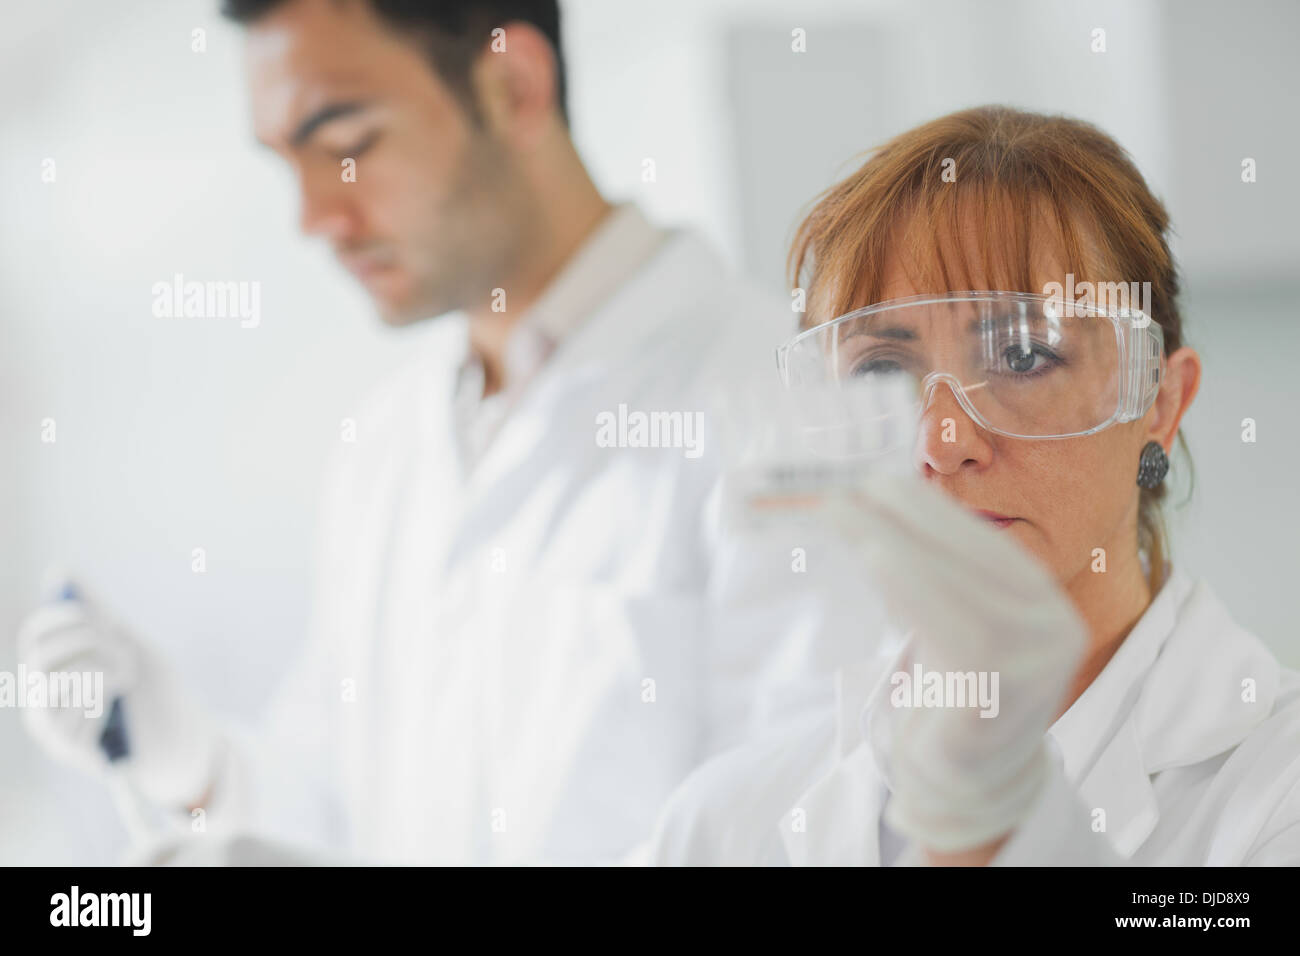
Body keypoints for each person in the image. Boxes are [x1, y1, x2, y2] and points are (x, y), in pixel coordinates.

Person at [16, 0, 855, 865]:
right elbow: (340, 805)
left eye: (345, 145)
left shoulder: (783, 404)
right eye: (287, 163)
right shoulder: (387, 447)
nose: (311, 216)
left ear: (512, 86)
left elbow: (801, 834)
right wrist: (193, 763)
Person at [644, 106, 1300, 866]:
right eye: (884, 371)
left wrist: (995, 818)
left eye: (1023, 356)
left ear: (1159, 401)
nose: (942, 441)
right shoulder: (724, 827)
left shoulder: (1276, 793)